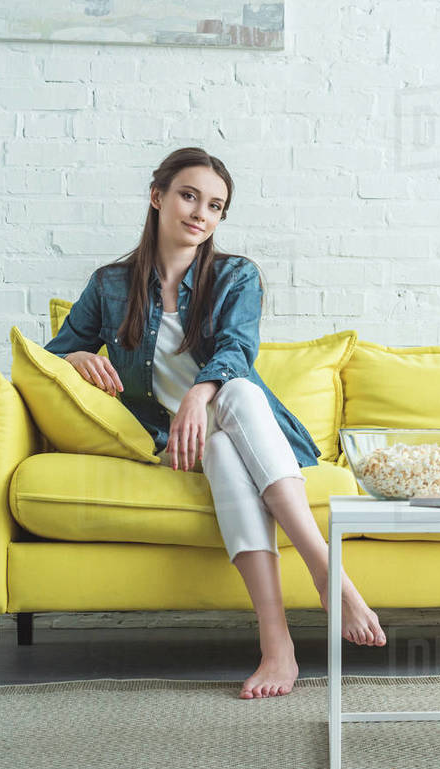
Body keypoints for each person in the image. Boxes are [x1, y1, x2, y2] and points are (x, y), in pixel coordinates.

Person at [43, 147, 387, 700]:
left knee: (236, 402)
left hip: (242, 428)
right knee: (223, 431)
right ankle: (327, 577)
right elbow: (47, 358)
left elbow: (236, 349)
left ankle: (281, 638)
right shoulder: (110, 286)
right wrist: (74, 357)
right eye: (188, 195)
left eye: (216, 205)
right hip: (175, 444)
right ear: (157, 197)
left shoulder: (236, 276)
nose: (201, 212)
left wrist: (198, 394)